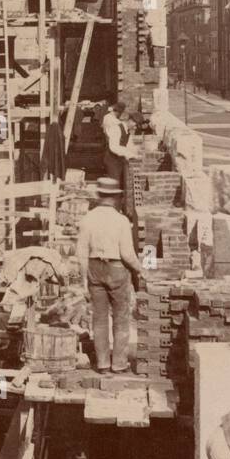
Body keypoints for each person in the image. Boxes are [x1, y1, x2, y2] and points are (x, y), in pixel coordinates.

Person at [76, 177, 144, 373]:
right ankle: (119, 363)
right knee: (121, 317)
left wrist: (82, 283)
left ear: (99, 196)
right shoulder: (121, 220)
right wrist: (141, 269)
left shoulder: (87, 219)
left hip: (94, 268)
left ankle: (103, 363)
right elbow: (127, 254)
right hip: (116, 269)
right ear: (115, 198)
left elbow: (81, 254)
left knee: (99, 318)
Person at [100, 100, 137, 198]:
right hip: (111, 159)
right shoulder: (116, 126)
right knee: (113, 185)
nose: (135, 127)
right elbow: (114, 147)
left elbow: (129, 145)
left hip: (119, 160)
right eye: (135, 124)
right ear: (130, 121)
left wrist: (134, 153)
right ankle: (111, 208)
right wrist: (128, 154)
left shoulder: (127, 131)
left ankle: (118, 207)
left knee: (120, 185)